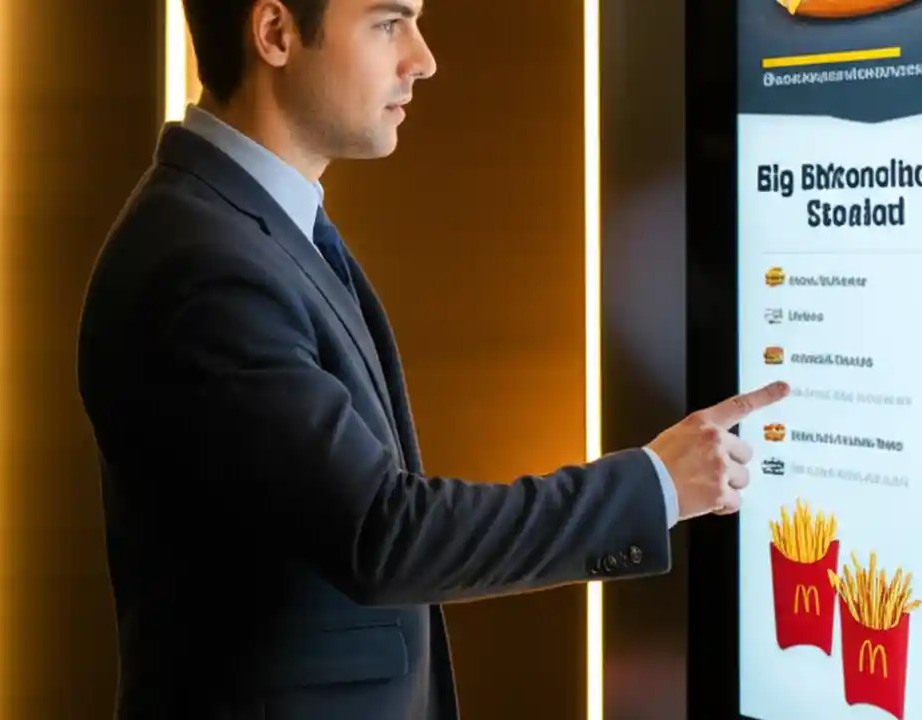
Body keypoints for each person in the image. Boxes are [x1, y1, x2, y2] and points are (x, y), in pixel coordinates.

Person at [76, 0, 789, 717]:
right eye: (389, 22)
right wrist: (655, 487)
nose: (422, 58)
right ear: (275, 33)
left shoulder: (247, 226)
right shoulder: (204, 262)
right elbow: (381, 534)